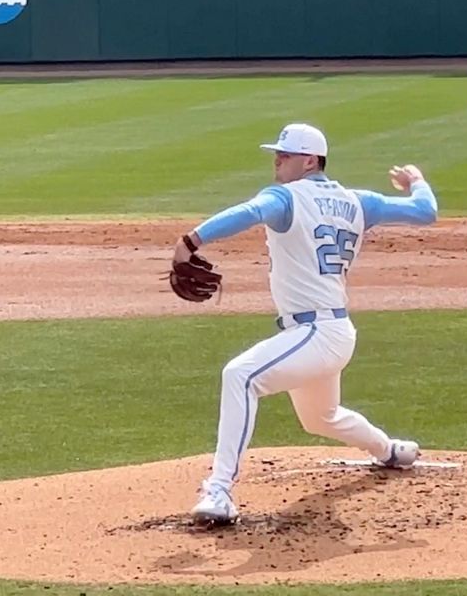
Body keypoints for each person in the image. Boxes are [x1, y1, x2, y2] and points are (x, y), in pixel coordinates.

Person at [170, 123, 439, 525]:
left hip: (317, 334)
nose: (277, 160)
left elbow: (250, 212)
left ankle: (219, 491)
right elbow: (425, 211)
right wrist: (417, 181)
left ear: (310, 161)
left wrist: (190, 241)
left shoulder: (285, 197)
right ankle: (389, 451)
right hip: (330, 332)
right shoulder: (358, 201)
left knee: (240, 376)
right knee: (321, 417)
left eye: (286, 154)